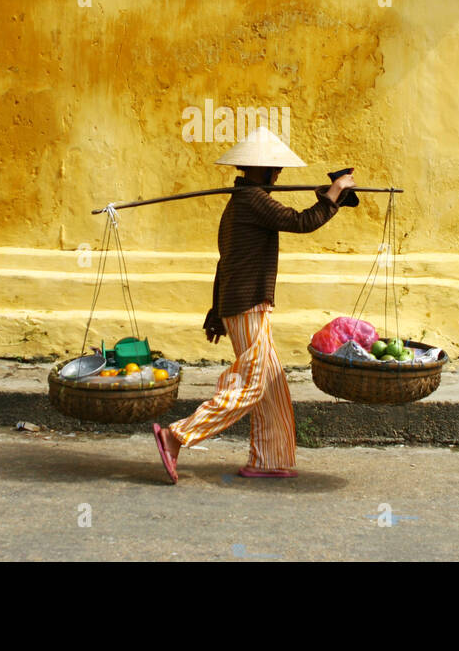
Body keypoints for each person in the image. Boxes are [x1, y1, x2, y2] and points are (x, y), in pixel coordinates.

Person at [152, 126, 355, 483]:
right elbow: (301, 222)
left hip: (241, 304)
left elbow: (225, 262)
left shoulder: (240, 202)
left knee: (272, 382)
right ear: (255, 169)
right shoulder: (253, 201)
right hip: (247, 305)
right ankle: (177, 435)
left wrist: (216, 313)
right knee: (252, 382)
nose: (277, 174)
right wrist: (334, 195)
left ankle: (270, 459)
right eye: (272, 169)